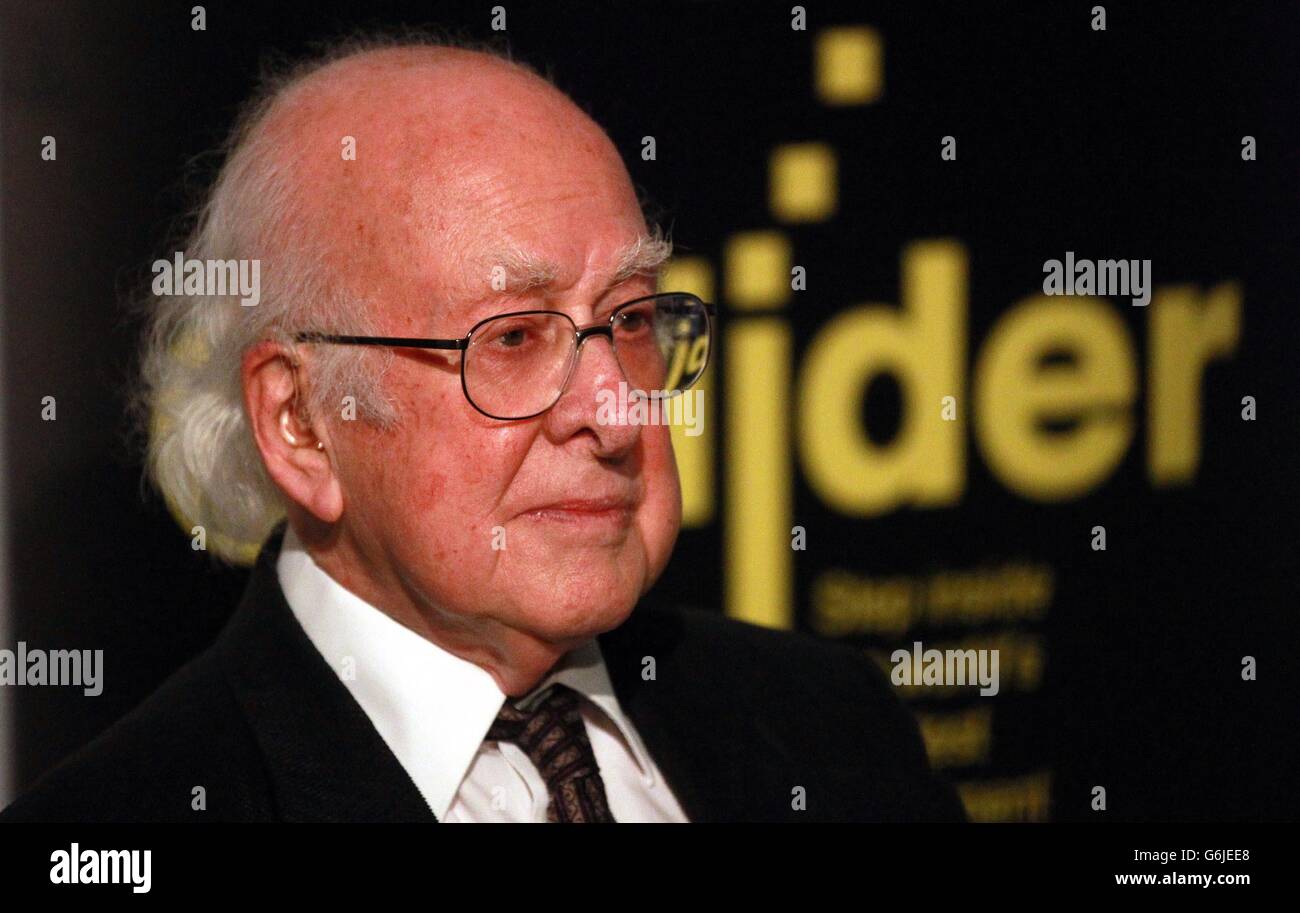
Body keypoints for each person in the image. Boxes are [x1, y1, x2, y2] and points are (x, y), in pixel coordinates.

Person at [1, 36, 965, 823]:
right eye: (511, 338)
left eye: (629, 319)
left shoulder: (829, 725)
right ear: (301, 423)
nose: (614, 408)